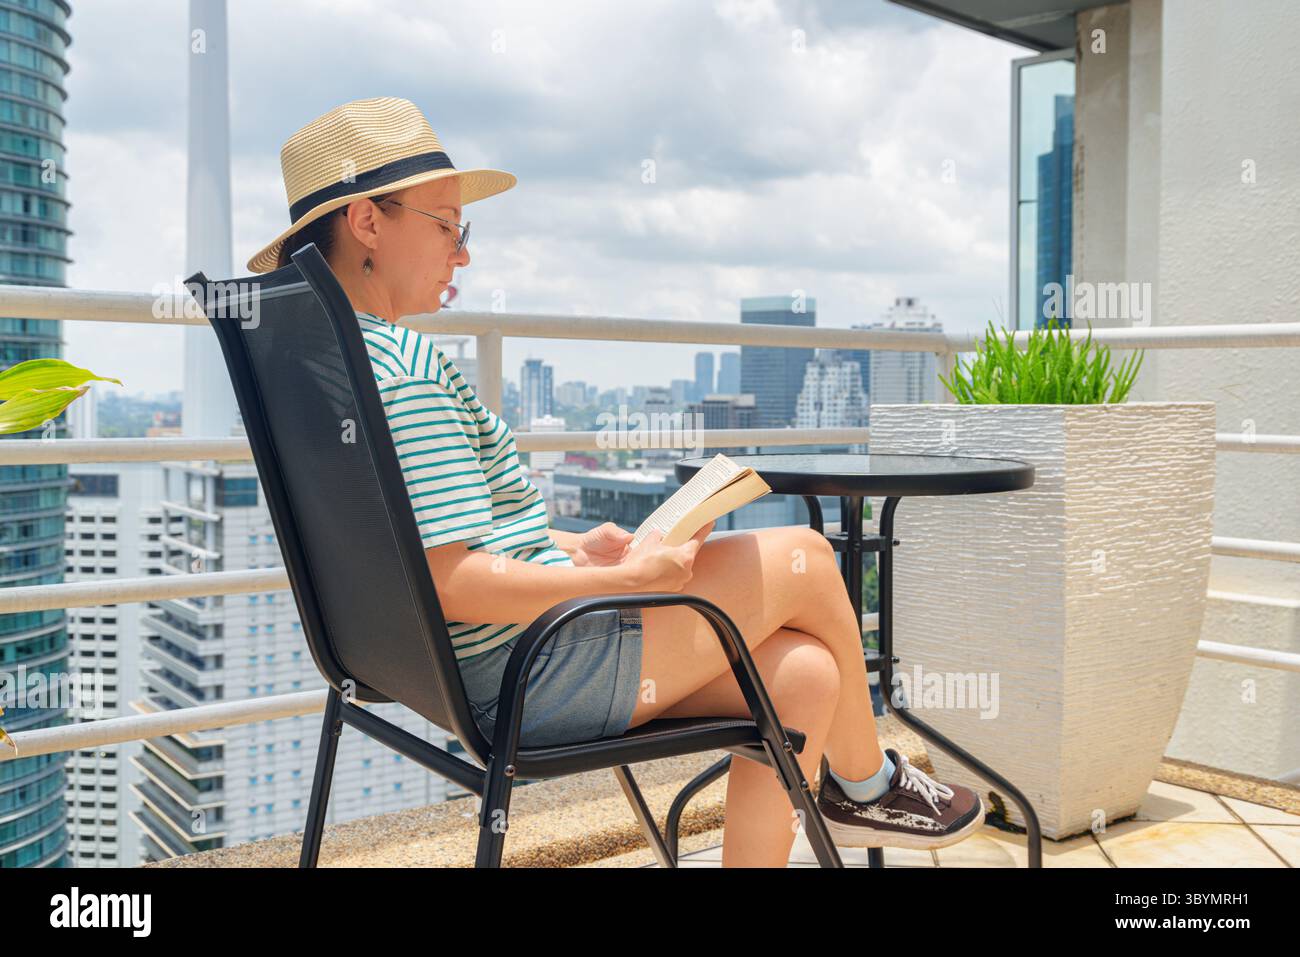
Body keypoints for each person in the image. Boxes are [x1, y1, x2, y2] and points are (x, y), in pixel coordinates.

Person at [247, 97, 983, 867]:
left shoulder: (324, 367)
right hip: (533, 672)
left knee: (804, 675)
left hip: (447, 674)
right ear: (368, 220)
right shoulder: (407, 372)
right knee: (807, 555)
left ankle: (856, 791)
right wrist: (629, 576)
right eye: (446, 226)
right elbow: (451, 577)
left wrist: (572, 547)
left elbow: (425, 544)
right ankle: (867, 790)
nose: (461, 254)